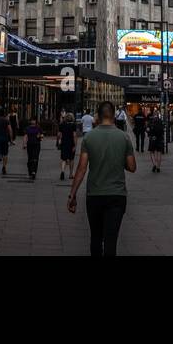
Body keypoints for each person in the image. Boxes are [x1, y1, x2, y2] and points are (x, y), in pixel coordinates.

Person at [67, 101, 136, 256]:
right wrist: (119, 159)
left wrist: (72, 195)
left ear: (98, 115)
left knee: (96, 238)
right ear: (113, 115)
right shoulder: (124, 137)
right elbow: (132, 167)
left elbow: (82, 168)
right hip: (117, 196)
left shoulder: (89, 138)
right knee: (111, 240)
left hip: (95, 194)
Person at [58, 111, 77, 180]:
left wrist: (59, 141)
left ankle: (62, 171)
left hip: (64, 143)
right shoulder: (73, 125)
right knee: (71, 159)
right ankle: (71, 174)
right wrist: (75, 145)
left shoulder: (62, 124)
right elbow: (74, 135)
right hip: (71, 143)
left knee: (63, 158)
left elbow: (59, 135)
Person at [25, 115, 43, 180]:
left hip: (36, 145)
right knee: (30, 159)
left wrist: (40, 137)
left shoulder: (38, 128)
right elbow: (26, 136)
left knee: (35, 159)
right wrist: (24, 144)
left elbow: (42, 136)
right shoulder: (28, 128)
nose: (33, 121)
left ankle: (33, 172)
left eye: (34, 120)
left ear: (36, 121)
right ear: (30, 121)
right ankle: (30, 171)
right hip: (29, 144)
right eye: (32, 120)